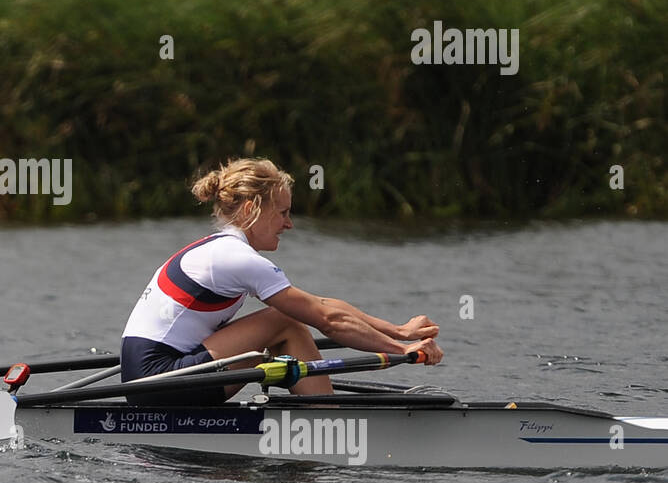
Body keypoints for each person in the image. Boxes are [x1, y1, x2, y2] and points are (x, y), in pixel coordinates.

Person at [120, 158, 441, 404]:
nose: (288, 224)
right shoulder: (235, 257)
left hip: (154, 376)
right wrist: (403, 350)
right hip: (157, 381)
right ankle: (328, 423)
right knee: (285, 320)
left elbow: (324, 305)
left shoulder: (219, 249)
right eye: (283, 213)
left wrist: (399, 330)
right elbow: (327, 320)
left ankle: (323, 415)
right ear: (251, 209)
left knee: (290, 322)